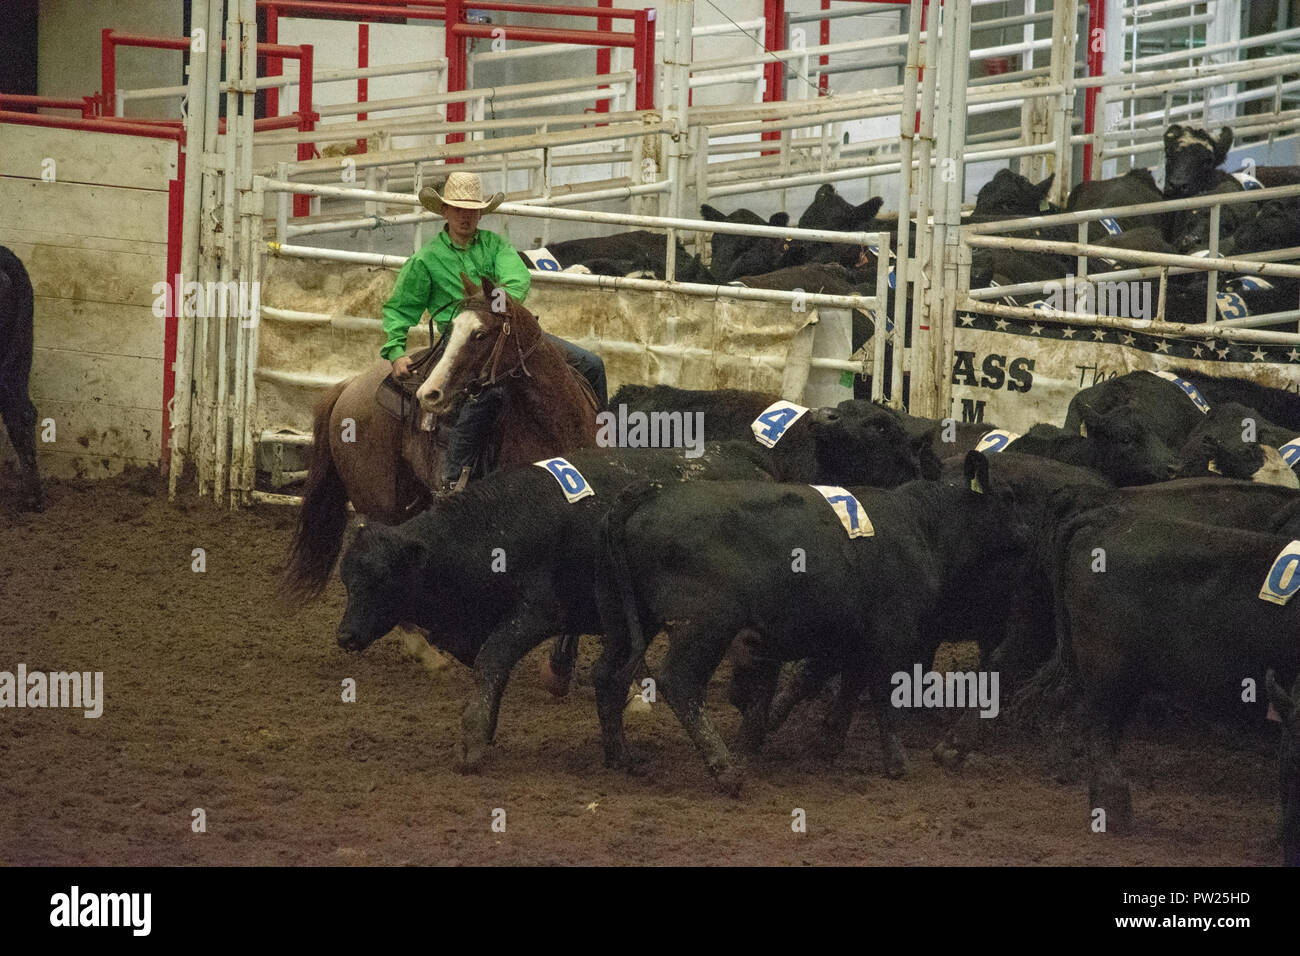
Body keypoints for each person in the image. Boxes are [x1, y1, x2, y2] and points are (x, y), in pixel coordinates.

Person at [380, 172, 607, 491]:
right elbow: (401, 307)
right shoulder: (426, 260)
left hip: (508, 331)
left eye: (472, 210)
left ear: (479, 214)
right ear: (445, 212)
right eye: (458, 209)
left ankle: (603, 444)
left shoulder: (495, 245)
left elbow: (518, 279)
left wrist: (491, 305)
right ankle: (453, 477)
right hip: (461, 341)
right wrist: (395, 350)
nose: (465, 216)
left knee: (592, 364)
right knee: (487, 394)